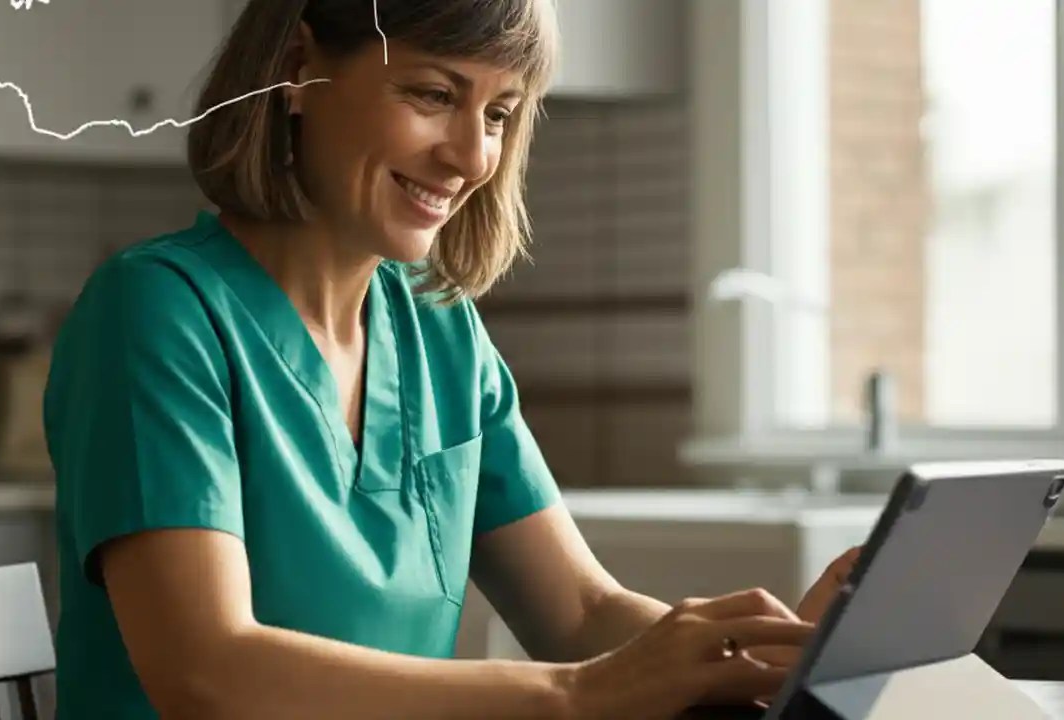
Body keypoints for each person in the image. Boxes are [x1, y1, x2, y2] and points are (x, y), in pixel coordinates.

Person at [42, 0, 862, 718]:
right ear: (296, 68)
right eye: (434, 95)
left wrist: (772, 661)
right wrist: (579, 697)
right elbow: (210, 675)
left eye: (501, 114)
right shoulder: (156, 309)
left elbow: (579, 612)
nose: (472, 157)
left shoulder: (439, 328)